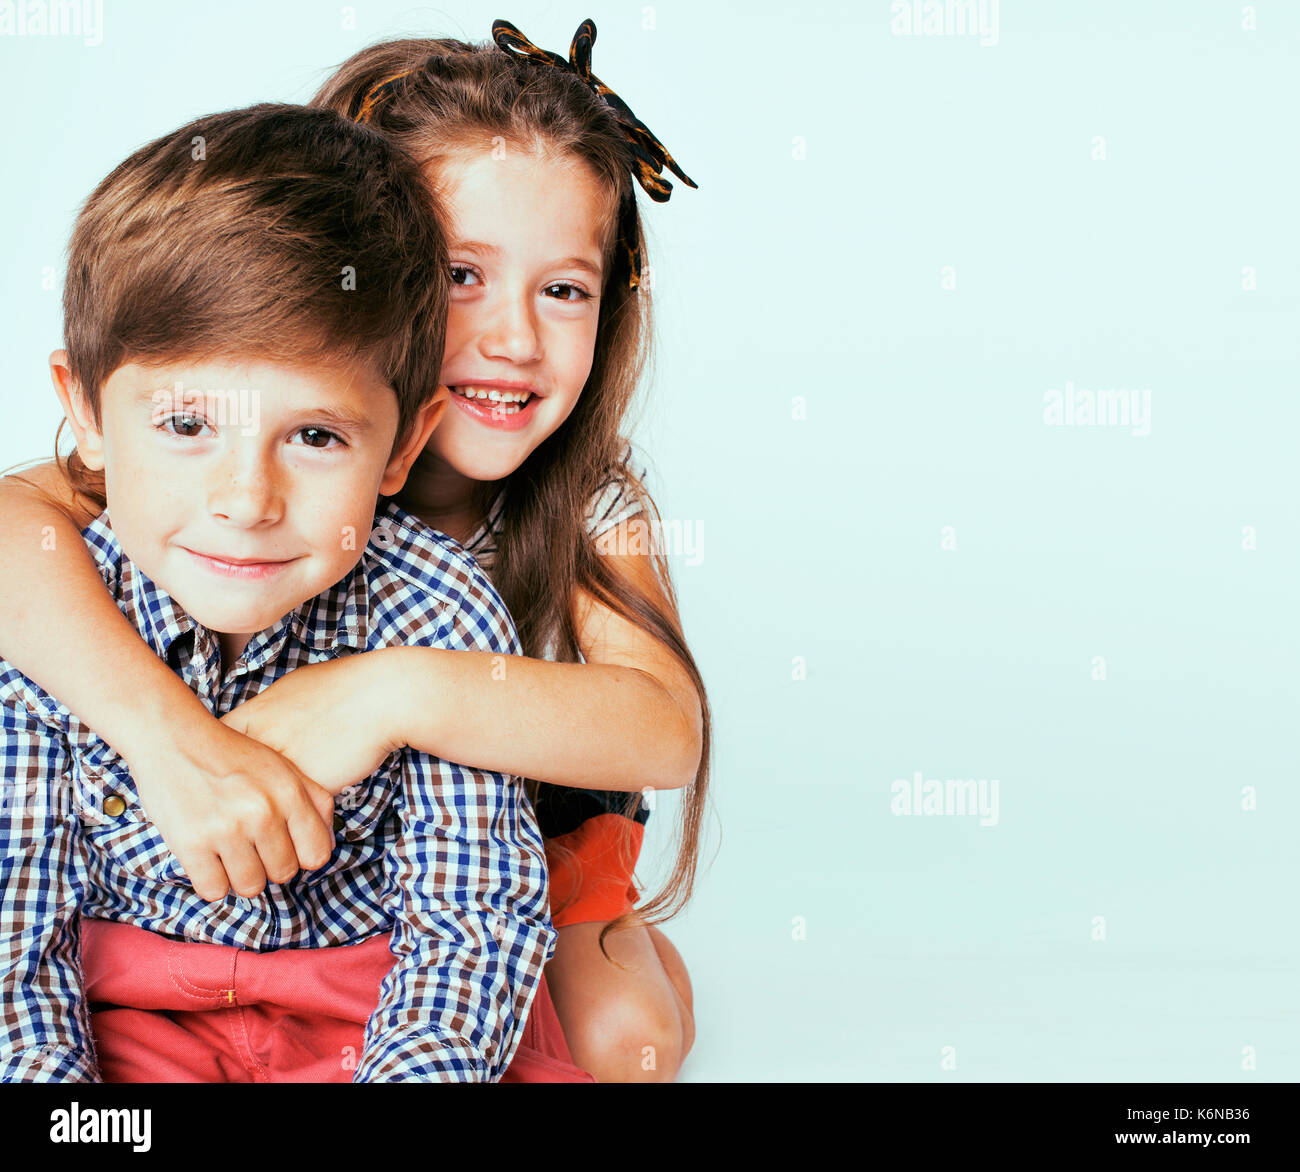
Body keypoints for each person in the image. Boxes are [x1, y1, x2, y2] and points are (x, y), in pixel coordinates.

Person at [0, 18, 710, 1082]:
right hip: (254, 863)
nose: (511, 336)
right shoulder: (209, 462)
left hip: (512, 837)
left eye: (563, 289)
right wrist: (163, 736)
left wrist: (383, 695)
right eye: (459, 273)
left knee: (619, 1042)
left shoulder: (592, 499)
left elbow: (660, 729)